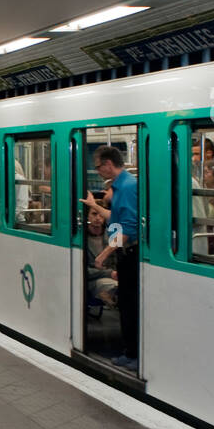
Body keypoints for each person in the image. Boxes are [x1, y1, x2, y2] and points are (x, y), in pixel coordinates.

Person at [80, 147, 138, 369]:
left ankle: (133, 354)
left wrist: (104, 254)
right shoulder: (120, 186)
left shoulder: (128, 186)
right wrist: (94, 206)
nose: (98, 171)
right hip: (124, 255)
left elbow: (129, 229)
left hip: (129, 254)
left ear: (107, 164)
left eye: (97, 167)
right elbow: (114, 217)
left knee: (130, 306)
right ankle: (129, 351)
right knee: (125, 304)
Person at [84, 210, 118, 307]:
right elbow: (82, 271)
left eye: (101, 215)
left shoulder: (111, 236)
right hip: (94, 279)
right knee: (112, 286)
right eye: (94, 214)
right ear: (87, 216)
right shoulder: (81, 239)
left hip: (114, 275)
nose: (98, 218)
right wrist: (108, 273)